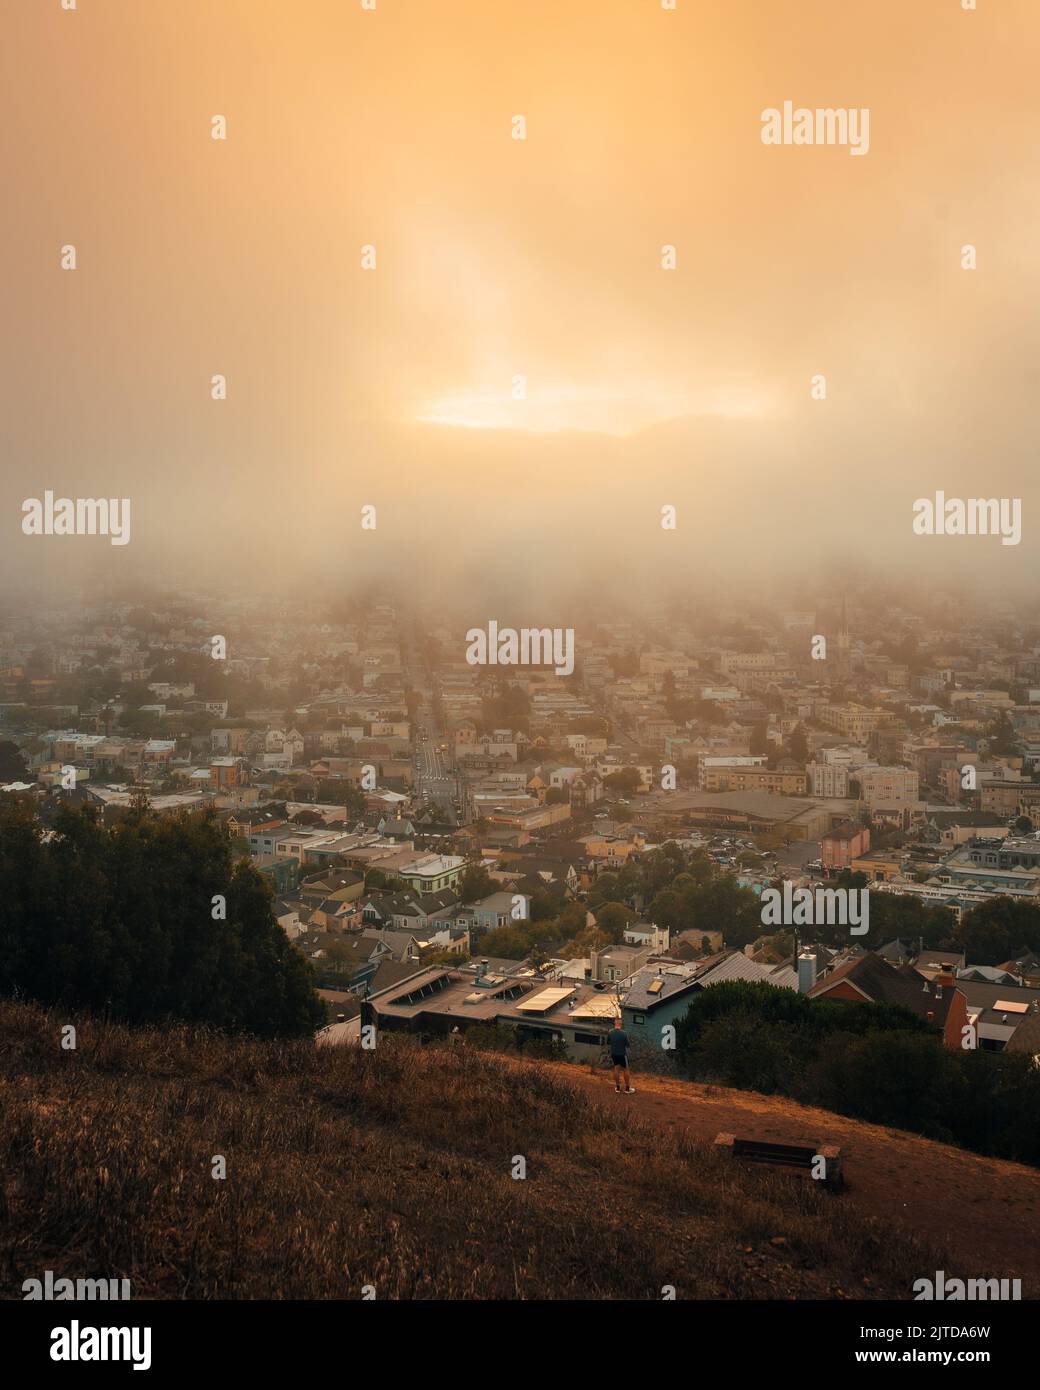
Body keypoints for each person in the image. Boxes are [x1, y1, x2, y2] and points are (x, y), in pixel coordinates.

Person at [609, 1016, 634, 1094]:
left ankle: (617, 1088)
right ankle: (627, 1088)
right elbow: (628, 1045)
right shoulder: (624, 1033)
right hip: (622, 1054)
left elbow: (608, 1042)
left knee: (616, 1069)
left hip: (614, 1054)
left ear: (615, 1023)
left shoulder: (610, 1032)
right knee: (626, 1070)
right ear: (621, 1024)